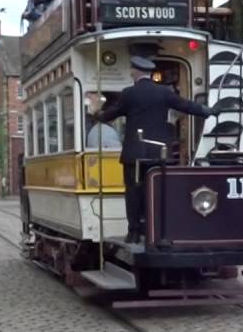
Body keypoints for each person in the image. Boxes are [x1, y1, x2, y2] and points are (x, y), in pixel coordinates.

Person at [88, 55, 221, 243]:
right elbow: (187, 106)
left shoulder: (129, 93)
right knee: (157, 192)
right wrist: (208, 111)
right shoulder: (164, 92)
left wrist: (98, 115)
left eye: (132, 70)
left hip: (134, 154)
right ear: (150, 74)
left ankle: (134, 232)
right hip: (159, 153)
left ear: (135, 72)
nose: (131, 73)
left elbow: (112, 114)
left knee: (133, 193)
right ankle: (157, 231)